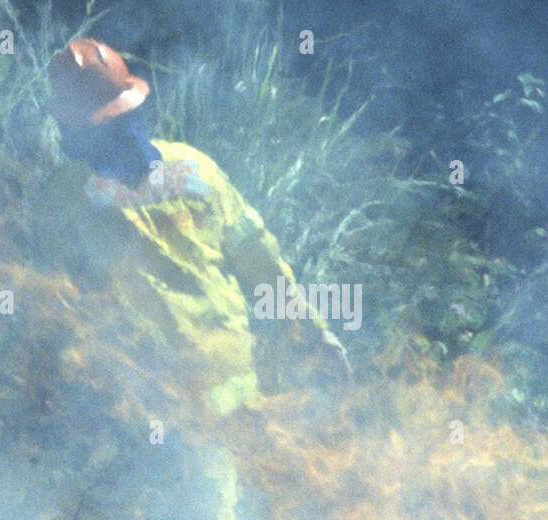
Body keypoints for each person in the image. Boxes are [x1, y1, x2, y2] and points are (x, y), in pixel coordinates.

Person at [36, 37, 348, 418]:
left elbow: (261, 263)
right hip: (168, 406)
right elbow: (55, 310)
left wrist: (315, 335)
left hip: (206, 404)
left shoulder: (66, 197)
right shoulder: (69, 199)